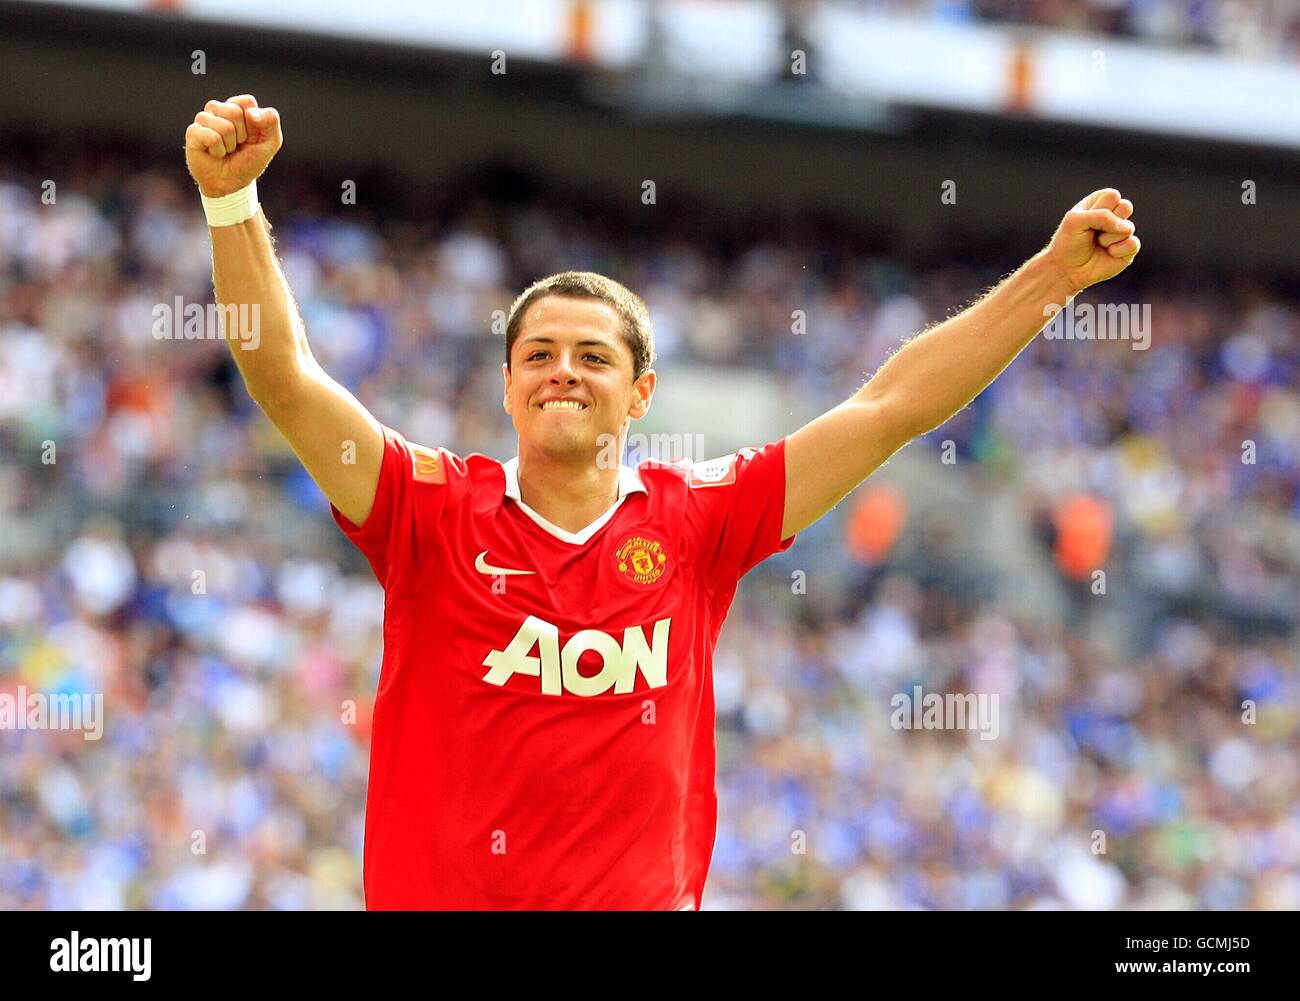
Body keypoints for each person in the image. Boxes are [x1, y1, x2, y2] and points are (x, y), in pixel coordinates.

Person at [183, 94, 1140, 909]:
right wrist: (232, 205)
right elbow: (284, 375)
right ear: (508, 387)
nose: (564, 371)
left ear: (641, 393)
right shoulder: (426, 508)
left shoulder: (699, 521)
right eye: (538, 356)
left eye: (594, 356)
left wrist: (1054, 276)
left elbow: (889, 406)